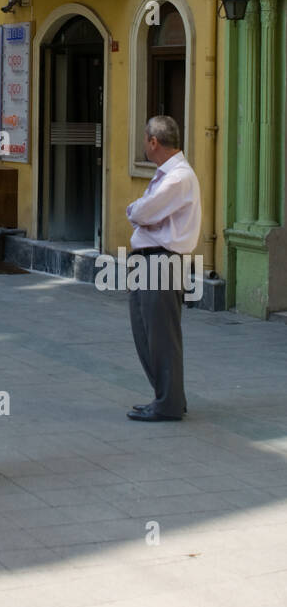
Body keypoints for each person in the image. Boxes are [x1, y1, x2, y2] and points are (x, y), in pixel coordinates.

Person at [125, 114, 202, 422]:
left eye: (145, 140)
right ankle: (168, 397)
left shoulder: (177, 177)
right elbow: (147, 214)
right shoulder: (167, 174)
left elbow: (143, 211)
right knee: (147, 331)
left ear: (153, 142)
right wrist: (142, 214)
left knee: (160, 335)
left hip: (161, 260)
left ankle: (168, 403)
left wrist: (135, 211)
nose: (144, 145)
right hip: (152, 259)